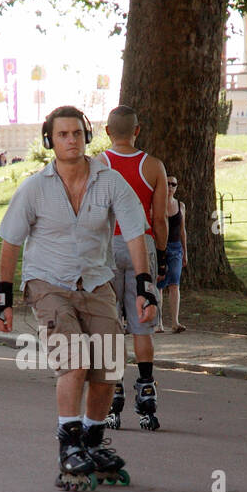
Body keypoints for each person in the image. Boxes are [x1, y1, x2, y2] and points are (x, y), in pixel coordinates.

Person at [0, 105, 155, 491]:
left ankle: (94, 443)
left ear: (87, 137)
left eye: (77, 134)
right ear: (50, 140)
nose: (71, 141)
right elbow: (11, 242)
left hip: (96, 282)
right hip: (48, 282)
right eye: (62, 134)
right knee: (75, 359)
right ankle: (69, 446)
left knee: (109, 364)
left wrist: (145, 286)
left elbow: (134, 233)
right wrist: (4, 296)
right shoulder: (34, 187)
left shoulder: (111, 181)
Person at [101, 105, 169, 429]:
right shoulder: (153, 166)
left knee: (111, 323)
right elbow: (159, 218)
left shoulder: (98, 165)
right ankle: (146, 391)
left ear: (107, 131)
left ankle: (113, 393)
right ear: (137, 130)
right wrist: (161, 254)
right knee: (143, 321)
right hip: (141, 244)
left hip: (108, 247)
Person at [159, 174, 189, 333]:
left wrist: (185, 252)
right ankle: (158, 323)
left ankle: (175, 322)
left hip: (176, 247)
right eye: (167, 183)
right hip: (161, 247)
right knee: (159, 284)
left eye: (173, 184)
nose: (170, 187)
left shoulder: (181, 205)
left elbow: (182, 230)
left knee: (174, 283)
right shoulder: (157, 204)